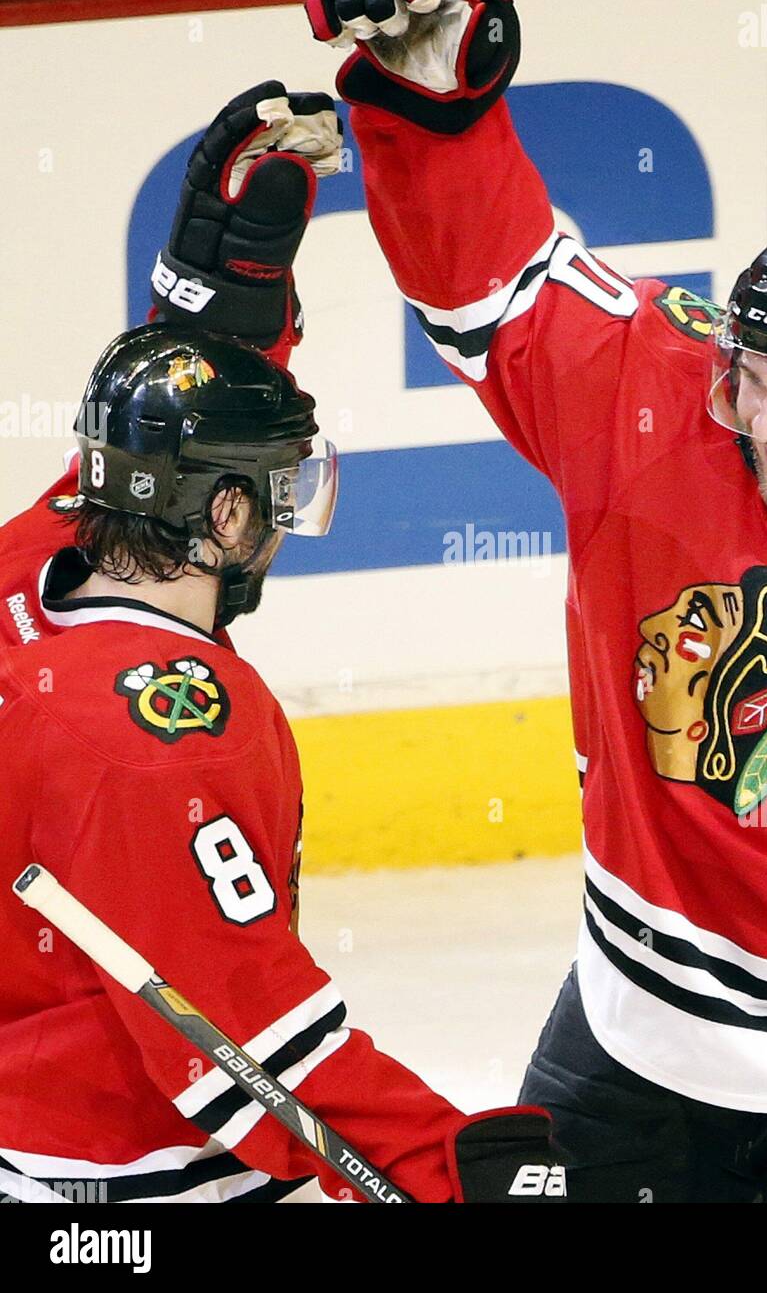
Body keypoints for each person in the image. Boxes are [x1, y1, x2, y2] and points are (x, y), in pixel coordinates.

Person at [304, 0, 767, 1202]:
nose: (765, 422)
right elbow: (495, 290)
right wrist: (432, 107)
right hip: (627, 1046)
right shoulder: (665, 415)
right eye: (752, 378)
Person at [0, 82, 562, 1204]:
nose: (288, 518)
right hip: (136, 1177)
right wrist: (449, 1169)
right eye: (279, 491)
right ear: (221, 520)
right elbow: (251, 1039)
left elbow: (136, 458)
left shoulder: (27, 580)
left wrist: (217, 301)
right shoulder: (172, 740)